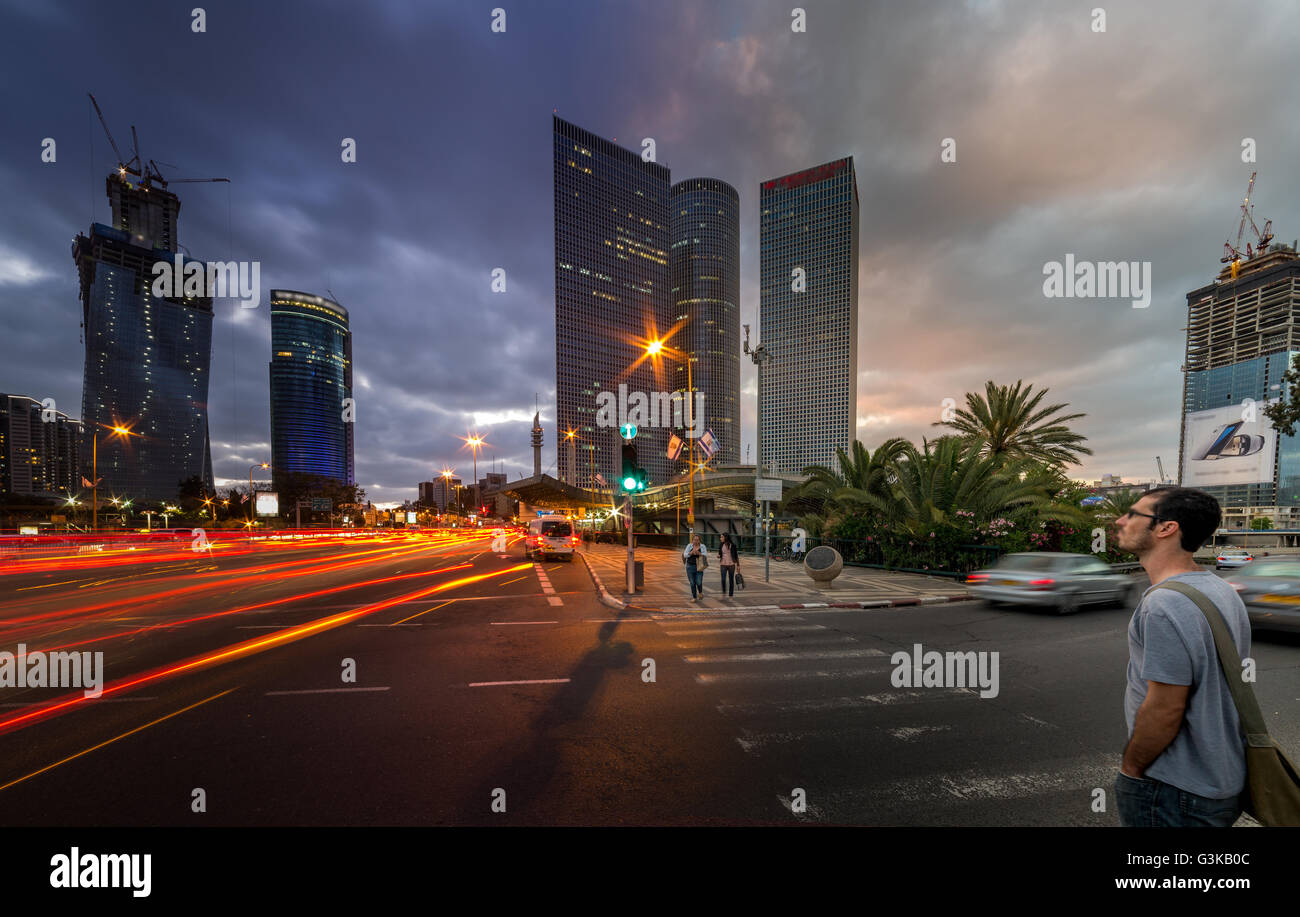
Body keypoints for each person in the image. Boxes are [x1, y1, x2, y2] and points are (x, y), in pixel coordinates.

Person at [1111, 485, 1251, 827]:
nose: (1119, 521)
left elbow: (1165, 708)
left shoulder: (1164, 603)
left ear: (1165, 528)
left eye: (1133, 514)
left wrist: (1132, 769)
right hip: (1219, 779)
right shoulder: (1219, 589)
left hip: (1174, 790)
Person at [682, 533, 706, 601]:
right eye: (694, 540)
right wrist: (691, 553)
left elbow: (705, 555)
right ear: (692, 540)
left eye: (697, 540)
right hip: (690, 566)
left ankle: (700, 592)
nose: (696, 541)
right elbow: (685, 554)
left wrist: (699, 553)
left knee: (698, 582)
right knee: (692, 582)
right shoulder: (689, 546)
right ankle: (694, 597)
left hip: (699, 566)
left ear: (699, 540)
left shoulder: (703, 546)